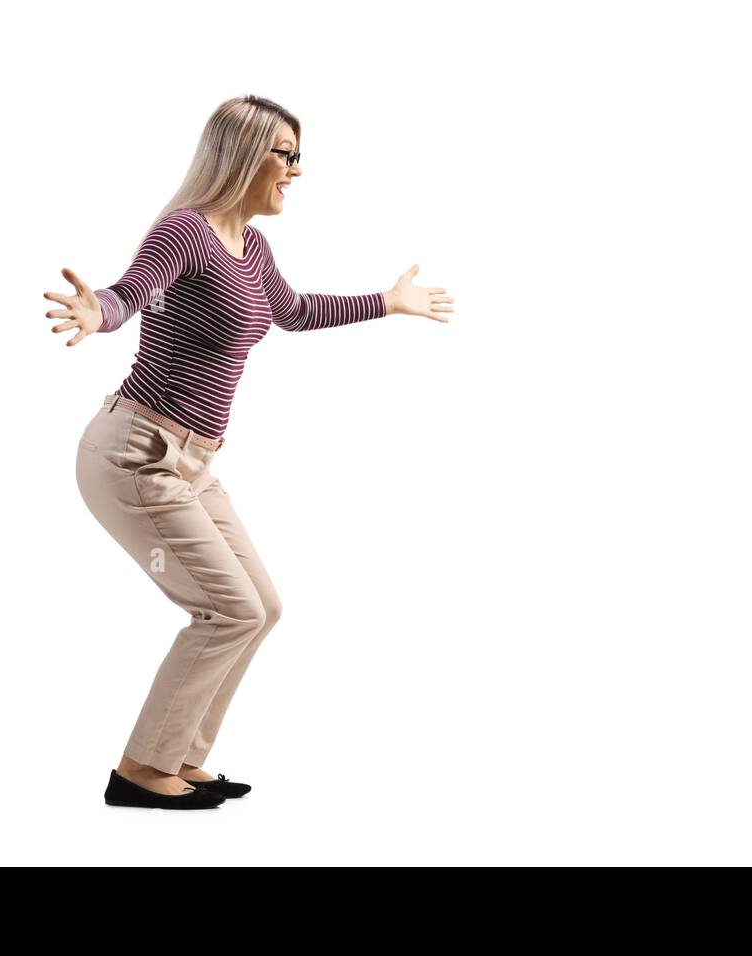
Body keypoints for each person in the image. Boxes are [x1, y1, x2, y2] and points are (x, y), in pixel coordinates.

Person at [43, 94, 454, 809]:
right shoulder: (186, 233)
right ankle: (141, 772)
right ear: (242, 155)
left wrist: (389, 302)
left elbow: (293, 313)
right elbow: (130, 294)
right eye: (285, 154)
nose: (296, 170)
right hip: (136, 456)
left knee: (260, 606)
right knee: (227, 610)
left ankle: (182, 756)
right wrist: (96, 312)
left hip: (192, 462)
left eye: (300, 155)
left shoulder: (251, 245)